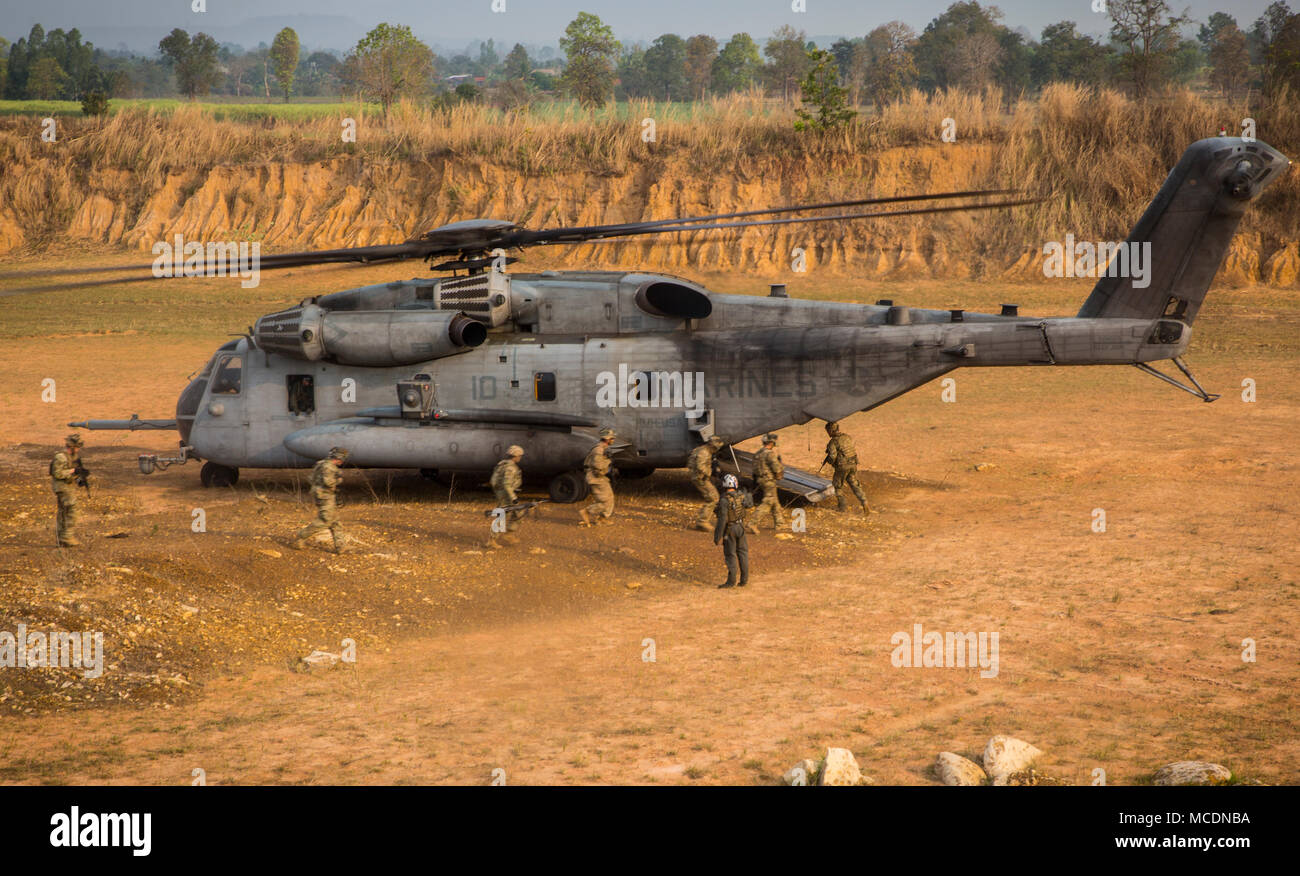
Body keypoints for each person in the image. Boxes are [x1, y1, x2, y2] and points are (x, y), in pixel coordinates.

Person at [293, 446, 349, 552]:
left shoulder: (322, 464)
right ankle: (302, 535)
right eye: (343, 458)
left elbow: (312, 478)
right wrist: (339, 480)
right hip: (324, 496)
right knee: (325, 520)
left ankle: (340, 546)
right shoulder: (329, 467)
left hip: (324, 495)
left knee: (335, 520)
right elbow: (329, 483)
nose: (343, 461)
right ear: (339, 458)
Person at [713, 474, 753, 589]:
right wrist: (748, 492)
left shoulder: (724, 500)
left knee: (730, 555)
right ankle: (744, 580)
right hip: (741, 527)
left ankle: (731, 582)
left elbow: (722, 519)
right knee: (743, 553)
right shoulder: (741, 496)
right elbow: (749, 504)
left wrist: (717, 537)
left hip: (730, 530)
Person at [823, 420, 869, 514]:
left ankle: (842, 507)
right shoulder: (847, 437)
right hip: (853, 464)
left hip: (842, 467)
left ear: (830, 431)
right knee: (854, 484)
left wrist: (830, 462)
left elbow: (832, 456)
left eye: (828, 431)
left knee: (838, 485)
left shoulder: (833, 442)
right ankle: (864, 502)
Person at [51, 433, 87, 547]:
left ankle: (61, 538)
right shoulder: (61, 457)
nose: (78, 449)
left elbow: (74, 473)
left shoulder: (73, 457)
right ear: (71, 446)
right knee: (73, 510)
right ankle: (67, 536)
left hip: (68, 486)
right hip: (62, 487)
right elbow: (57, 473)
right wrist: (72, 472)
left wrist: (80, 477)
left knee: (63, 512)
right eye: (77, 447)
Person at [488, 445, 525, 547]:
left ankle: (509, 533)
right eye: (519, 456)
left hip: (505, 493)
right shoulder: (510, 467)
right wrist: (514, 498)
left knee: (518, 512)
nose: (520, 458)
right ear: (516, 456)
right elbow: (506, 484)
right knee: (502, 516)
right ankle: (492, 540)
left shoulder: (504, 464)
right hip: (506, 494)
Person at [687, 435, 726, 531]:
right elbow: (700, 467)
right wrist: (711, 472)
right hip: (700, 478)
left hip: (699, 477)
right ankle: (702, 522)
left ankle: (703, 520)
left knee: (713, 498)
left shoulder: (701, 449)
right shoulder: (704, 453)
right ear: (714, 447)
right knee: (713, 498)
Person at [579, 429, 616, 527]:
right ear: (607, 439)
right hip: (595, 478)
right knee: (605, 502)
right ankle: (586, 511)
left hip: (600, 477)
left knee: (610, 499)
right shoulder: (598, 449)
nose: (613, 439)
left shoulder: (603, 448)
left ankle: (601, 519)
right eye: (612, 438)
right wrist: (608, 460)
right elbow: (598, 466)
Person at [752, 432, 786, 529]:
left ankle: (780, 523)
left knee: (775, 502)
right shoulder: (770, 454)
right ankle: (753, 523)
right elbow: (777, 470)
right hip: (769, 481)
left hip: (761, 479)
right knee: (768, 502)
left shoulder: (758, 453)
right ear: (771, 443)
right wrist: (780, 466)